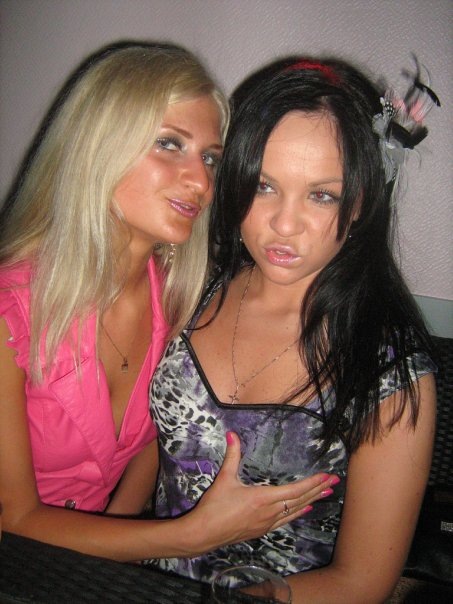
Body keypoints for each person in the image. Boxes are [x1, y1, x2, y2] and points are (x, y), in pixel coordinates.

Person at [0, 43, 337, 561]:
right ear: (99, 144)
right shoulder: (11, 310)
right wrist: (191, 535)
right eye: (169, 144)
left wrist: (116, 544)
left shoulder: (177, 294)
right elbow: (15, 517)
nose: (201, 182)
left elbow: (151, 439)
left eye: (209, 158)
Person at [147, 56, 438, 602]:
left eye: (321, 195)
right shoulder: (189, 288)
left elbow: (362, 581)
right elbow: (149, 448)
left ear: (360, 203)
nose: (284, 223)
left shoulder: (390, 374)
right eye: (263, 186)